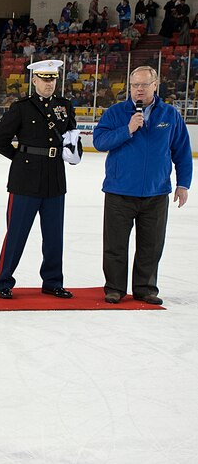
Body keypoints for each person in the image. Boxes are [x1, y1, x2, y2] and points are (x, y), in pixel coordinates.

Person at [93, 66, 191, 305]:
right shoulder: (116, 113)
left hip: (156, 192)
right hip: (119, 191)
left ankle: (145, 288)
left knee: (151, 244)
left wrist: (183, 184)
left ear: (155, 85)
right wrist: (127, 129)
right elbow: (99, 141)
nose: (139, 89)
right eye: (135, 85)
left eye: (144, 85)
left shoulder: (170, 115)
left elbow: (182, 151)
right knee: (115, 244)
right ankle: (114, 288)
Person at [0, 60, 76, 300]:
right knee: (16, 234)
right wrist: (20, 159)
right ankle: (4, 281)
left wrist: (73, 151)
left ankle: (52, 281)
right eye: (44, 79)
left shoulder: (65, 106)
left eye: (53, 79)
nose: (49, 84)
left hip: (55, 177)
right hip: (25, 180)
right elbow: (0, 140)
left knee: (54, 236)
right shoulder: (21, 108)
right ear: (35, 80)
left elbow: (70, 136)